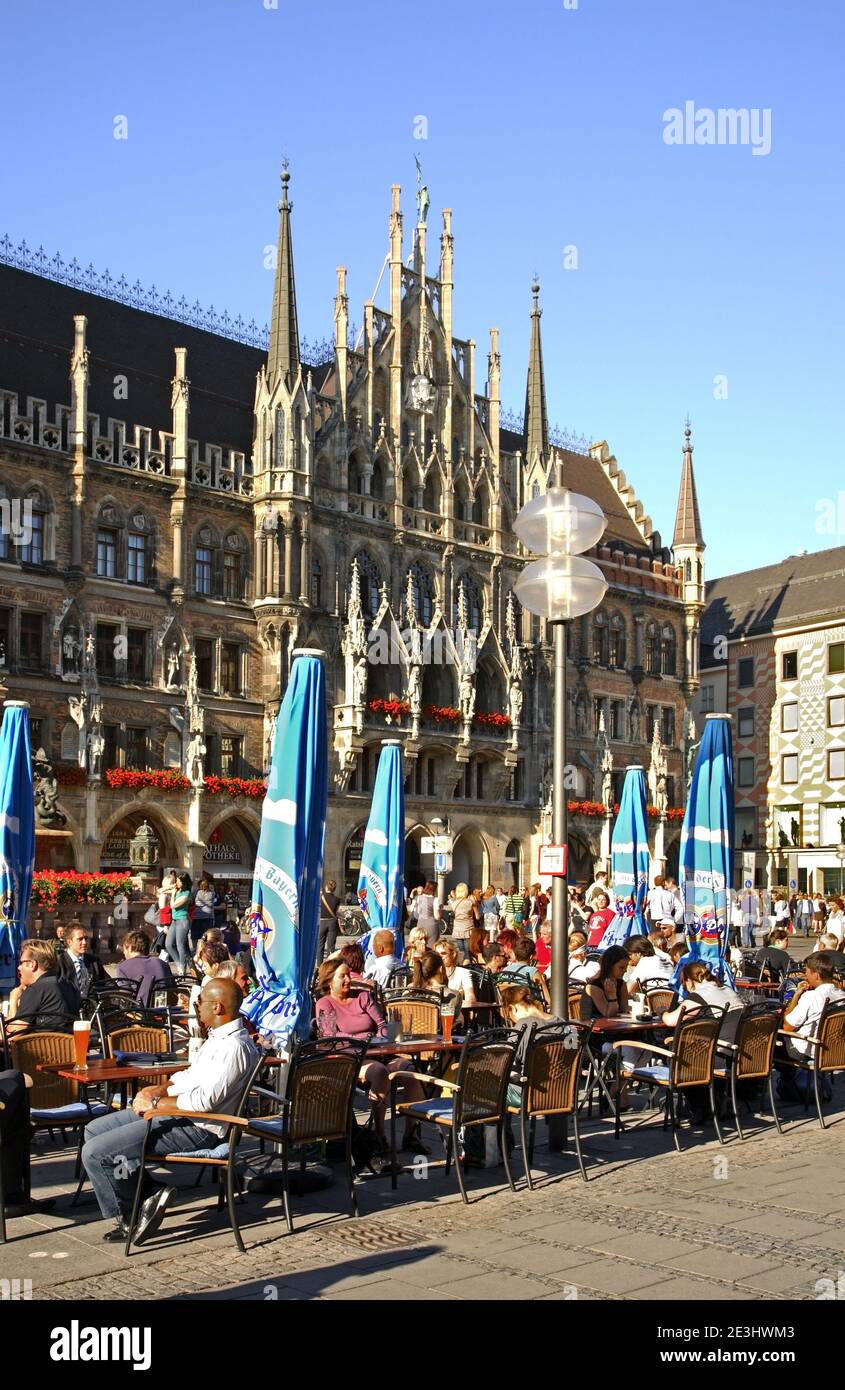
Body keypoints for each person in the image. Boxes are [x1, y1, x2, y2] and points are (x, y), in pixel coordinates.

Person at [81, 977, 258, 1244]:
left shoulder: (233, 1047)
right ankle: (147, 1191)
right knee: (94, 1130)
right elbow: (190, 1076)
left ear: (218, 1007)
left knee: (96, 1153)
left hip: (200, 1127)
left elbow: (203, 1103)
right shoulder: (219, 1038)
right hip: (180, 1114)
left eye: (200, 1002)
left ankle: (130, 1213)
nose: (196, 1007)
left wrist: (154, 1105)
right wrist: (159, 1090)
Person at [314, 958, 428, 1155]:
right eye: (342, 976)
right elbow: (331, 1036)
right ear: (329, 981)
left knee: (409, 1070)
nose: (348, 979)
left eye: (348, 974)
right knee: (380, 1072)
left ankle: (411, 1135)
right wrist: (363, 1039)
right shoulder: (325, 1003)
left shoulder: (363, 996)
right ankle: (380, 1135)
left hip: (378, 1051)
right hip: (349, 1058)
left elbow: (382, 1025)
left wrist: (378, 1038)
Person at [5, 940, 81, 1036]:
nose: (19, 967)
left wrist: (13, 1001)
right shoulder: (68, 985)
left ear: (32, 964)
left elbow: (10, 1035)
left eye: (21, 963)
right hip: (71, 1044)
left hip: (42, 1045)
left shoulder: (35, 990)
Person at [780, 952, 845, 1060]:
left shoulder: (812, 997)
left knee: (773, 1039)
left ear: (816, 975)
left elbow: (787, 1026)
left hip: (809, 1050)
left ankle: (781, 1071)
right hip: (835, 1050)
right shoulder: (842, 995)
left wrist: (796, 996)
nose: (805, 975)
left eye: (807, 971)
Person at [661, 961, 744, 1045]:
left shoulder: (700, 995)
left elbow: (670, 1021)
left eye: (683, 983)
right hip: (739, 1046)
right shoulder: (728, 990)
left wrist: (662, 1011)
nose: (685, 988)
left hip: (719, 1048)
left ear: (689, 980)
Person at [116, 930, 173, 1008]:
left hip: (141, 1011)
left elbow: (125, 998)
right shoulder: (162, 963)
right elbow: (173, 989)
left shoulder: (123, 967)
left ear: (130, 948)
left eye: (124, 949)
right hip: (165, 1009)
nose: (124, 953)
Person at [56, 921, 107, 997]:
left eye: (85, 938)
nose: (84, 942)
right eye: (80, 939)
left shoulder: (94, 961)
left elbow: (108, 982)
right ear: (69, 942)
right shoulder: (59, 963)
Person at [585, 946, 630, 1020]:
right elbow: (609, 1014)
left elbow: (624, 1009)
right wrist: (612, 995)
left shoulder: (621, 984)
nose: (625, 971)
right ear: (610, 966)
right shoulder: (593, 986)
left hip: (616, 1024)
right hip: (592, 1025)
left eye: (626, 967)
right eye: (621, 967)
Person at [163, 873, 193, 971]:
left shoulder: (187, 894)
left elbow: (173, 906)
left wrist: (173, 894)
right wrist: (171, 886)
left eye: (179, 881)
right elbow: (160, 891)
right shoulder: (177, 890)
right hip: (174, 921)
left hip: (182, 921)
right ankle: (179, 964)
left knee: (180, 945)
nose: (177, 882)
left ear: (184, 883)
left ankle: (182, 969)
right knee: (168, 944)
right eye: (177, 880)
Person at [435, 939, 477, 1007]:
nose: (439, 957)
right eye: (437, 954)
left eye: (443, 953)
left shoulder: (462, 972)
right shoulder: (433, 973)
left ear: (453, 954)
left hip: (456, 1010)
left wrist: (469, 1003)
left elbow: (470, 995)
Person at [449, 882, 479, 957]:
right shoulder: (471, 902)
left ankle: (463, 962)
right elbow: (477, 917)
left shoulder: (454, 903)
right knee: (468, 951)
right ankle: (468, 961)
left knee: (461, 952)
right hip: (468, 928)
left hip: (457, 929)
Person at [408, 881, 439, 947]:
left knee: (420, 945)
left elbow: (415, 911)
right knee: (431, 947)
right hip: (431, 924)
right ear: (434, 889)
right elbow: (437, 916)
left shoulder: (418, 898)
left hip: (420, 923)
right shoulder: (435, 899)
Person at [317, 879, 341, 963]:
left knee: (320, 945)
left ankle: (319, 966)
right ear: (334, 889)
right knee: (331, 946)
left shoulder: (320, 898)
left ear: (326, 887)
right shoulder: (337, 899)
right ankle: (329, 964)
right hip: (332, 922)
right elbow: (336, 912)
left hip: (322, 922)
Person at [191, 877, 216, 951]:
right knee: (207, 934)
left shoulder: (196, 893)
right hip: (208, 916)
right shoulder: (212, 893)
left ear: (200, 885)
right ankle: (206, 949)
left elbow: (193, 902)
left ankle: (195, 948)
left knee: (195, 934)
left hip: (197, 916)